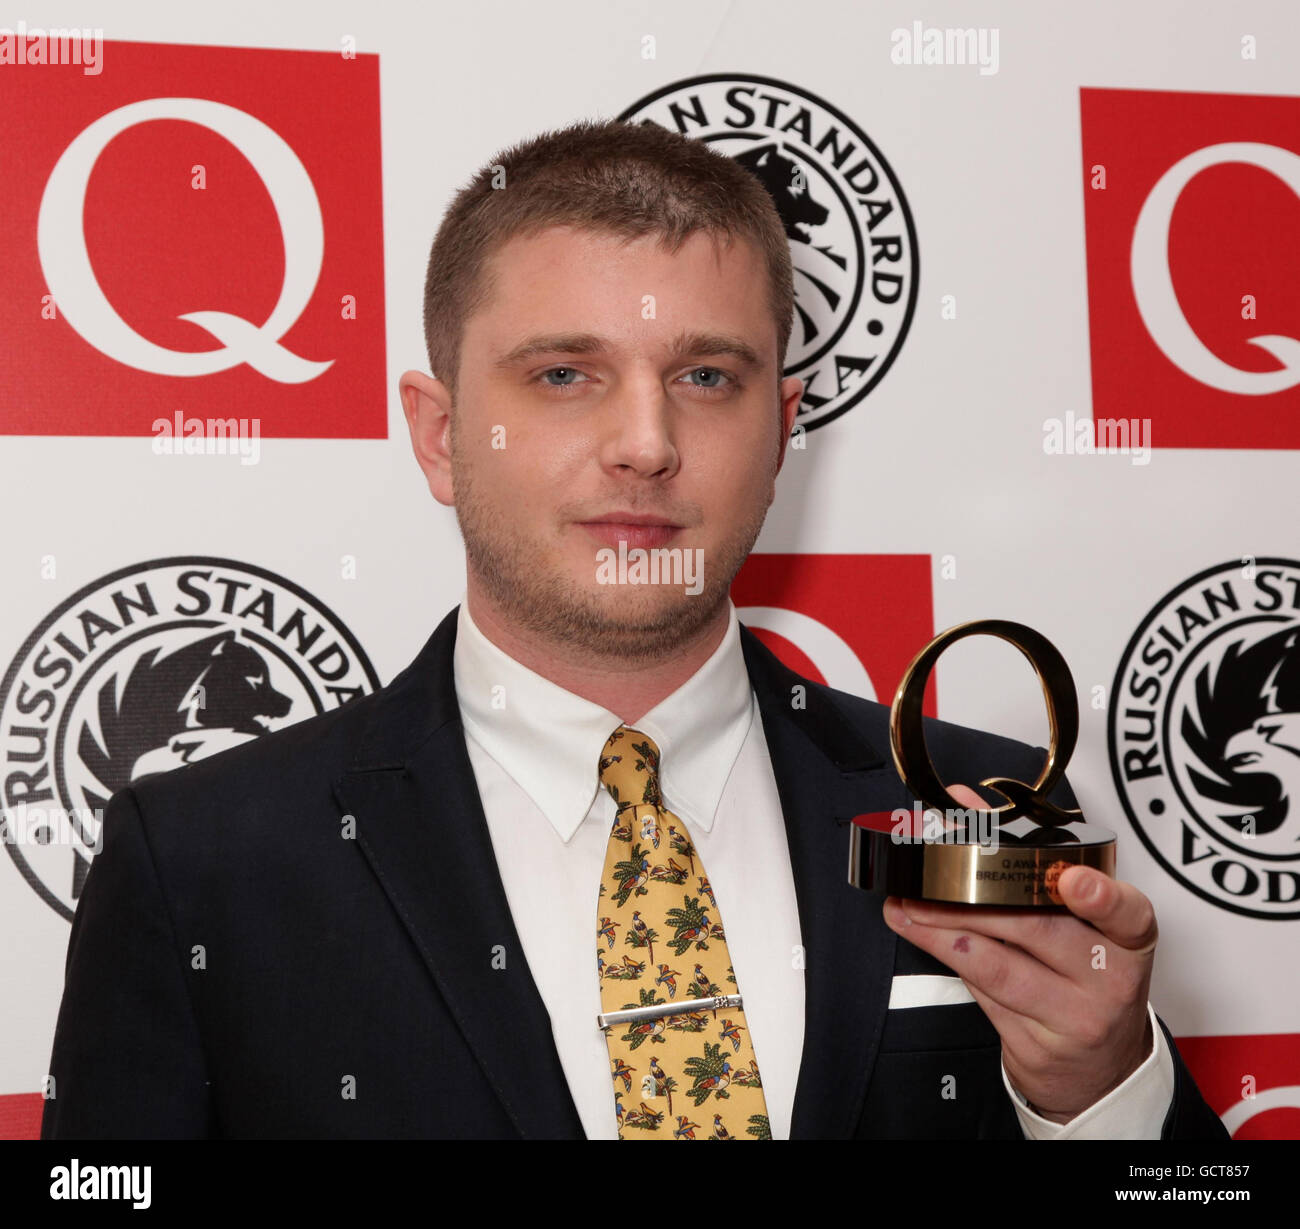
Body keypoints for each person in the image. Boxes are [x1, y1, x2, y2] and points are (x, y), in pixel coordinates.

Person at [41, 118, 1227, 1140]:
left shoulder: (979, 800)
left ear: (781, 427)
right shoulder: (205, 858)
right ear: (439, 432)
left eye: (708, 376)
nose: (646, 442)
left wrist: (1100, 1088)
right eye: (564, 374)